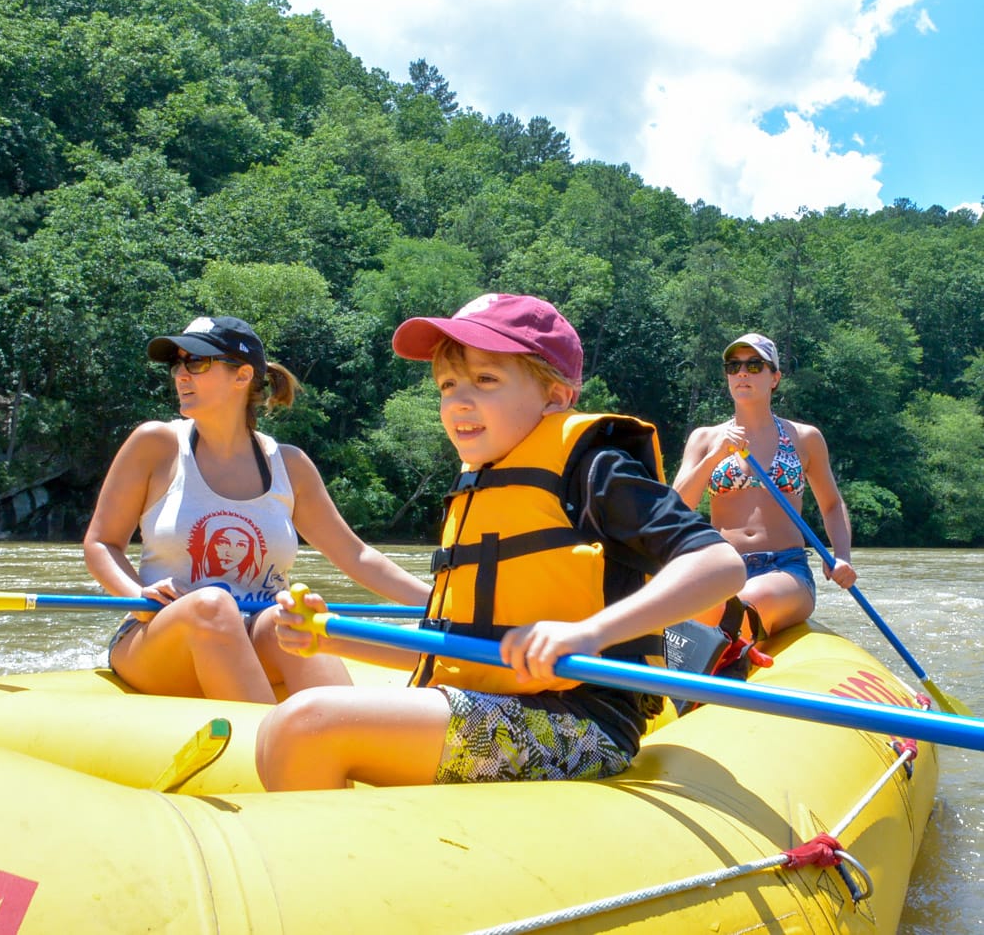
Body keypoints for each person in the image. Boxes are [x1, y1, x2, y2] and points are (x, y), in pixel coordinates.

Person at [254, 294, 746, 791]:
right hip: (489, 703)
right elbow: (448, 652)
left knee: (306, 726)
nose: (459, 401)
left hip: (581, 726)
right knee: (289, 724)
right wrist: (328, 636)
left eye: (486, 380)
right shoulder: (479, 485)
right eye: (448, 384)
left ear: (555, 397)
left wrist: (588, 634)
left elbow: (720, 565)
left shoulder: (595, 468)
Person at [83, 314, 431, 703]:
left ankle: (351, 745)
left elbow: (358, 556)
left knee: (289, 618)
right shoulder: (155, 444)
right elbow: (101, 543)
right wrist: (139, 595)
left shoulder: (290, 465)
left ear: (242, 375)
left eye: (196, 363)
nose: (181, 375)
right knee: (212, 605)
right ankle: (266, 748)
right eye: (177, 364)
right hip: (158, 639)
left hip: (254, 636)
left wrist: (442, 604)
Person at [672, 333, 857, 637]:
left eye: (755, 365)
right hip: (721, 566)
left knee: (743, 604)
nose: (742, 373)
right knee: (692, 609)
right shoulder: (705, 439)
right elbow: (677, 507)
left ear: (775, 378)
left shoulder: (805, 437)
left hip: (785, 569)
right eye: (734, 366)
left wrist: (842, 557)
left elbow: (832, 504)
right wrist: (714, 457)